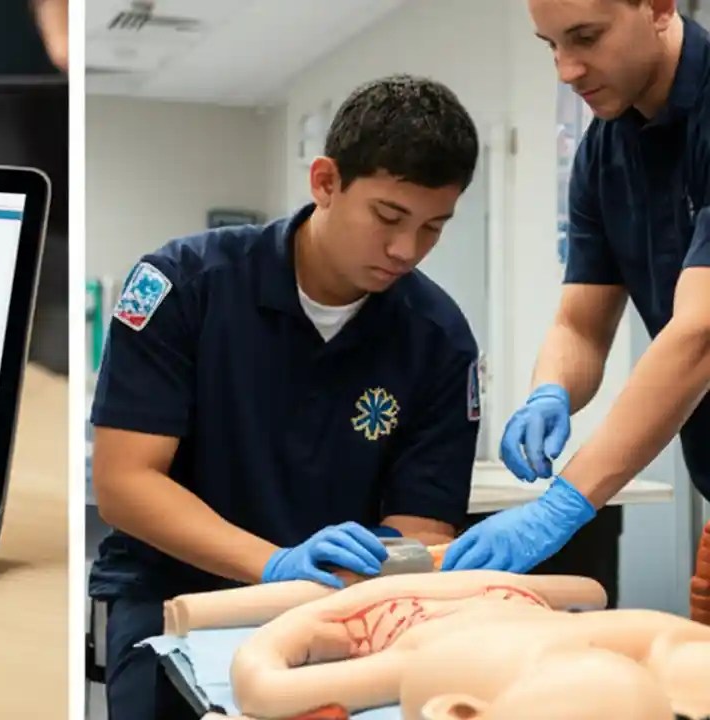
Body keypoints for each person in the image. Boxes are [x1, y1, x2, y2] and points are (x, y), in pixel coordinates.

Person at [89, 74, 482, 719]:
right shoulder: (184, 287)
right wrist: (274, 567)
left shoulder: (438, 340)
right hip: (174, 595)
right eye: (388, 217)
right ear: (326, 182)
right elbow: (127, 483)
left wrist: (355, 580)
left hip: (338, 606)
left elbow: (423, 528)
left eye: (433, 227)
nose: (406, 251)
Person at [443, 0, 710, 574]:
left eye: (585, 38)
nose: (566, 70)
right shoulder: (602, 153)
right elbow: (580, 325)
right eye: (552, 46)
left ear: (660, 7)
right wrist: (550, 391)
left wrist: (564, 504)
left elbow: (701, 332)